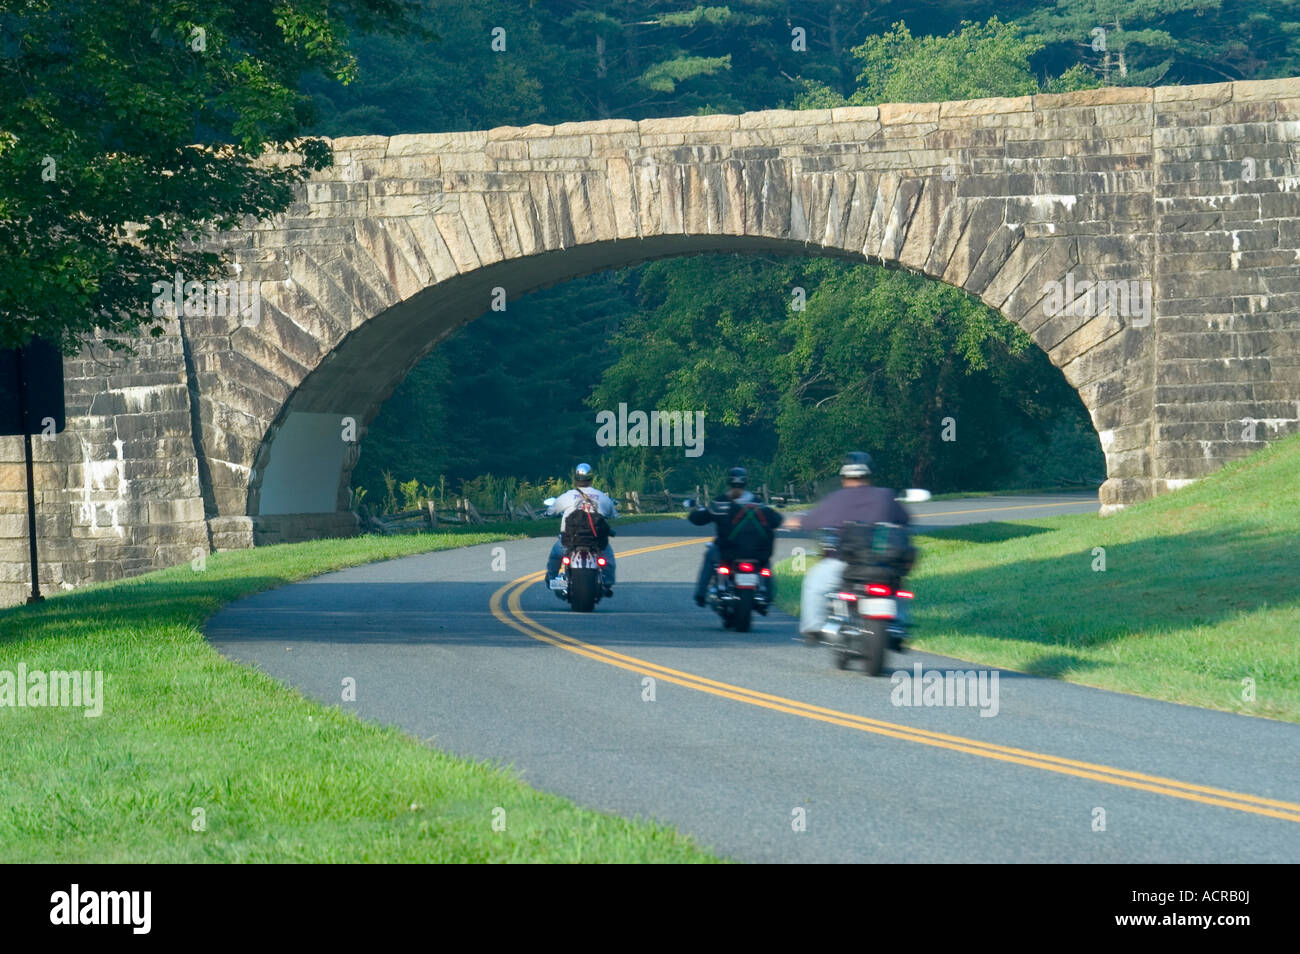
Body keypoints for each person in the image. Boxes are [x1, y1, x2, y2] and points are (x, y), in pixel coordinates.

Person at [784, 452, 910, 638]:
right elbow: (905, 520)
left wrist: (793, 522)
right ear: (869, 476)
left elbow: (810, 521)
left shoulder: (837, 498)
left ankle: (813, 628)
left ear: (844, 478)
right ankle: (900, 624)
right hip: (883, 565)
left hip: (846, 564)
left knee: (813, 582)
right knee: (899, 590)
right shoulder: (886, 495)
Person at [688, 466, 782, 608]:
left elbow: (699, 519)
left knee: (710, 555)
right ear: (746, 482)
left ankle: (701, 594)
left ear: (729, 482)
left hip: (728, 551)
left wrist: (693, 512)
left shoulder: (720, 504)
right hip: (756, 553)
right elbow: (776, 520)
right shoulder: (758, 504)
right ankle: (767, 594)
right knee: (765, 564)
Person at [545, 463, 618, 596]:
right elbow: (613, 514)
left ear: (575, 479)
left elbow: (551, 510)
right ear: (591, 478)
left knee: (555, 556)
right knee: (609, 560)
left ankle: (552, 580)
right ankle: (607, 582)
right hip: (595, 540)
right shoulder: (602, 496)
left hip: (570, 539)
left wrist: (548, 513)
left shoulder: (567, 496)